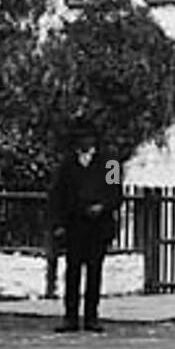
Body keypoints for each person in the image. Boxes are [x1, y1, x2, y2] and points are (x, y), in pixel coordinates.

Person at [49, 122, 122, 333]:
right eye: (79, 138)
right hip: (74, 225)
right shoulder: (67, 163)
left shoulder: (110, 163)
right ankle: (70, 317)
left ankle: (91, 317)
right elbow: (57, 195)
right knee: (72, 272)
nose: (83, 142)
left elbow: (116, 194)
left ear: (94, 139)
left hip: (98, 226)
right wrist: (58, 224)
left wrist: (102, 206)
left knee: (94, 272)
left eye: (87, 137)